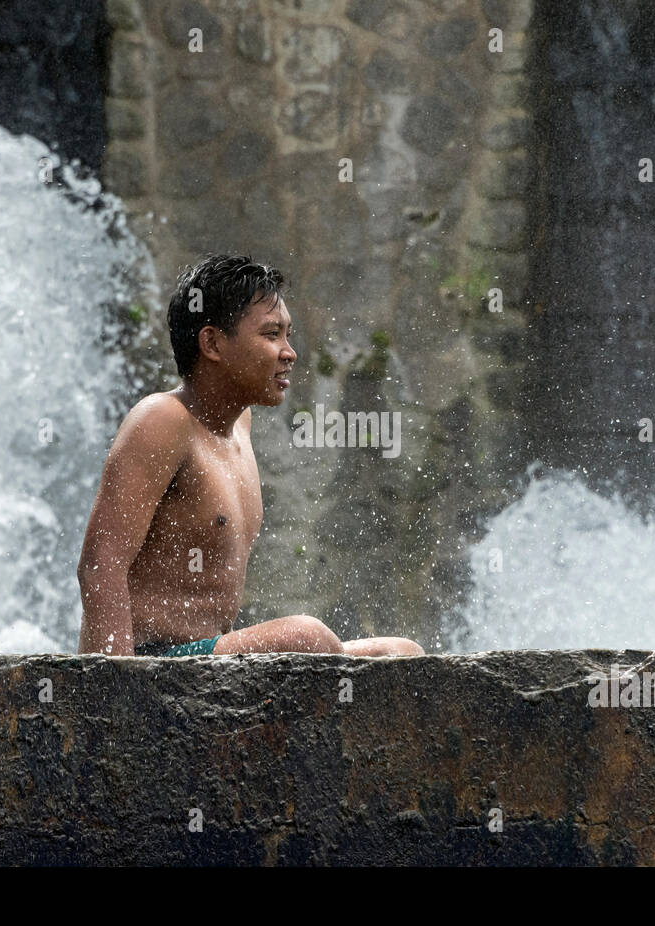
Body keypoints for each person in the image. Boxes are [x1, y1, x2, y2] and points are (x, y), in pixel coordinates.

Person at [76, 252, 424, 658]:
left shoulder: (241, 424)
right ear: (212, 343)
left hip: (206, 655)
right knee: (306, 638)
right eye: (271, 334)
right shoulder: (162, 421)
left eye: (288, 335)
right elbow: (100, 564)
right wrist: (117, 697)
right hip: (152, 661)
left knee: (402, 653)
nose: (289, 352)